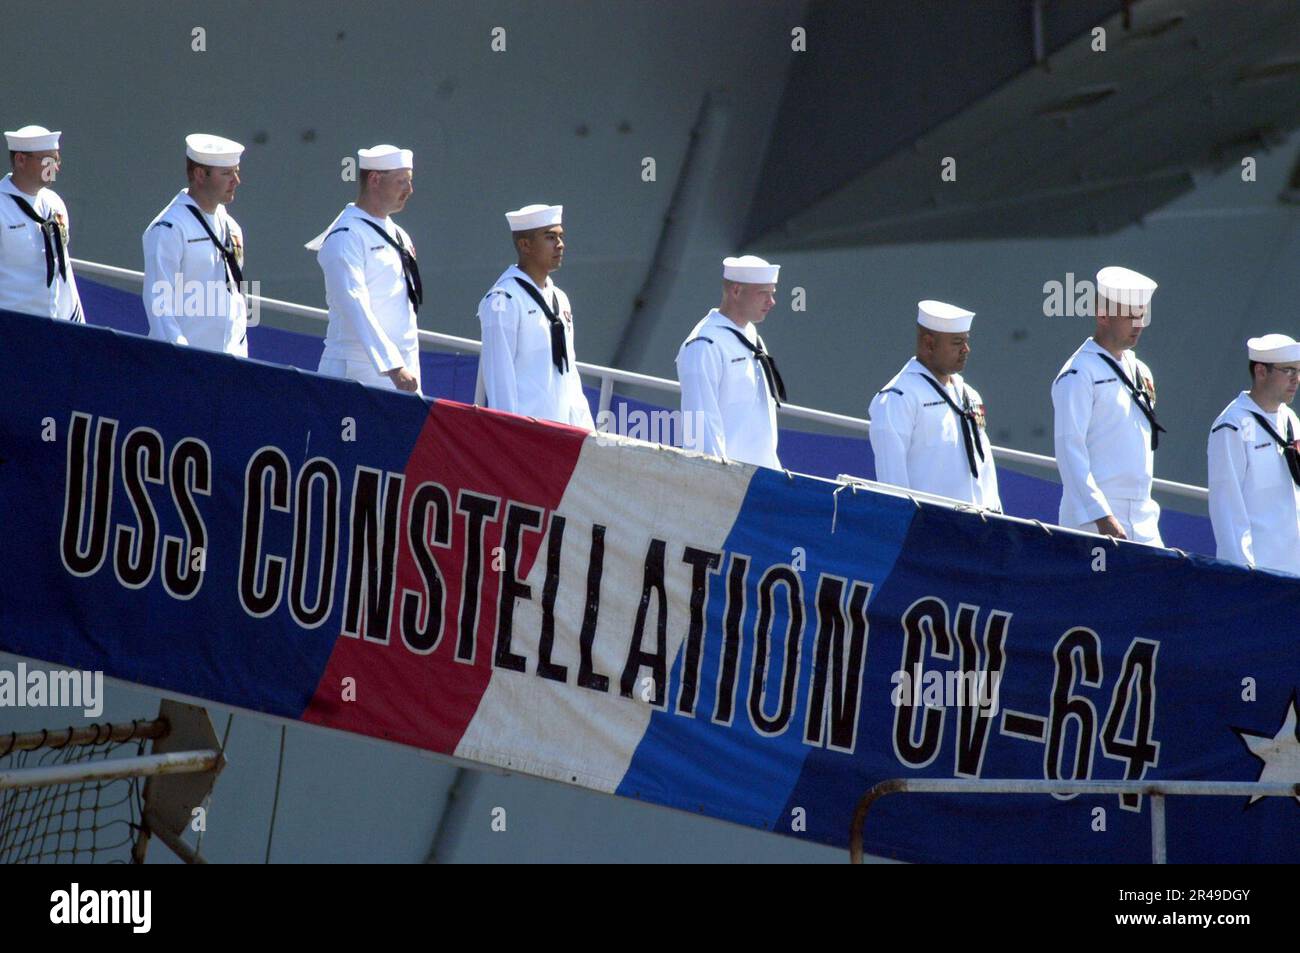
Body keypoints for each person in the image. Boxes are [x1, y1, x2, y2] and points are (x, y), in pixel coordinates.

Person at [1052, 266, 1165, 544]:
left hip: (1143, 515)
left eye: (1142, 315)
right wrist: (1101, 515)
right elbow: (1069, 450)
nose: (1138, 324)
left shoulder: (1140, 371)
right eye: (1131, 316)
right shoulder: (1079, 374)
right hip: (1094, 517)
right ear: (1102, 314)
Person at [307, 144, 422, 393]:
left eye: (410, 181)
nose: (409, 190)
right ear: (375, 179)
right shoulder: (346, 236)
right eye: (402, 181)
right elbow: (354, 304)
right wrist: (393, 367)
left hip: (403, 369)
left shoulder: (399, 235)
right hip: (358, 370)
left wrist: (404, 365)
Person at [868, 301, 1000, 509]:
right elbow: (892, 482)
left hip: (979, 525)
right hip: (930, 525)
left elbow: (984, 464)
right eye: (957, 342)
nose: (966, 349)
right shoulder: (898, 397)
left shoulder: (970, 395)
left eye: (966, 341)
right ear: (929, 344)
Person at [477, 204, 593, 427]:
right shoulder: (504, 300)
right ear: (525, 245)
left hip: (560, 431)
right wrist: (510, 434)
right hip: (526, 432)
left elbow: (569, 372)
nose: (560, 245)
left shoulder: (559, 298)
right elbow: (500, 376)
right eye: (550, 237)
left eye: (560, 237)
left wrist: (585, 429)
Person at [141, 134, 250, 355]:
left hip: (229, 362)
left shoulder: (231, 228)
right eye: (227, 173)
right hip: (185, 364)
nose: (236, 181)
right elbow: (159, 305)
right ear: (200, 174)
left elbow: (236, 298)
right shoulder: (170, 228)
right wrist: (182, 357)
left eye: (236, 172)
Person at [676, 255, 785, 469]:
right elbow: (701, 425)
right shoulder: (704, 345)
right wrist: (716, 477)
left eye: (772, 294)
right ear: (736, 291)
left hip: (759, 472)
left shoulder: (750, 334)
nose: (771, 302)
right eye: (764, 293)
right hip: (728, 478)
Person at [1207, 334, 1300, 575]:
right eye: (1289, 371)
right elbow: (1227, 509)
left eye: (1299, 371)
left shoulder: (1290, 420)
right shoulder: (1232, 426)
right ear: (1261, 371)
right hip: (1261, 572)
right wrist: (1242, 574)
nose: (1296, 379)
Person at [0, 125, 83, 321]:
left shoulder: (54, 204)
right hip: (10, 325)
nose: (56, 167)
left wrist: (76, 324)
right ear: (20, 159)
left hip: (50, 325)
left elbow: (63, 268)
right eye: (48, 160)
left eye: (57, 160)